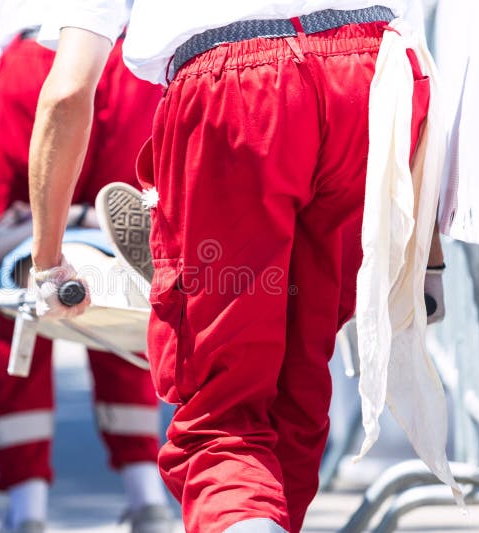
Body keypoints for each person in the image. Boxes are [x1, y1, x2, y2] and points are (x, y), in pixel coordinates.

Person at [26, 2, 448, 532]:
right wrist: (430, 261)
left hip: (239, 93)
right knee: (297, 382)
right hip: (372, 79)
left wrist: (48, 261)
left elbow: (68, 90)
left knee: (222, 414)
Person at [0, 2, 171, 532]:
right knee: (118, 289)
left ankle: (27, 509)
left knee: (22, 294)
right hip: (117, 64)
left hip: (31, 69)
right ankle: (147, 497)